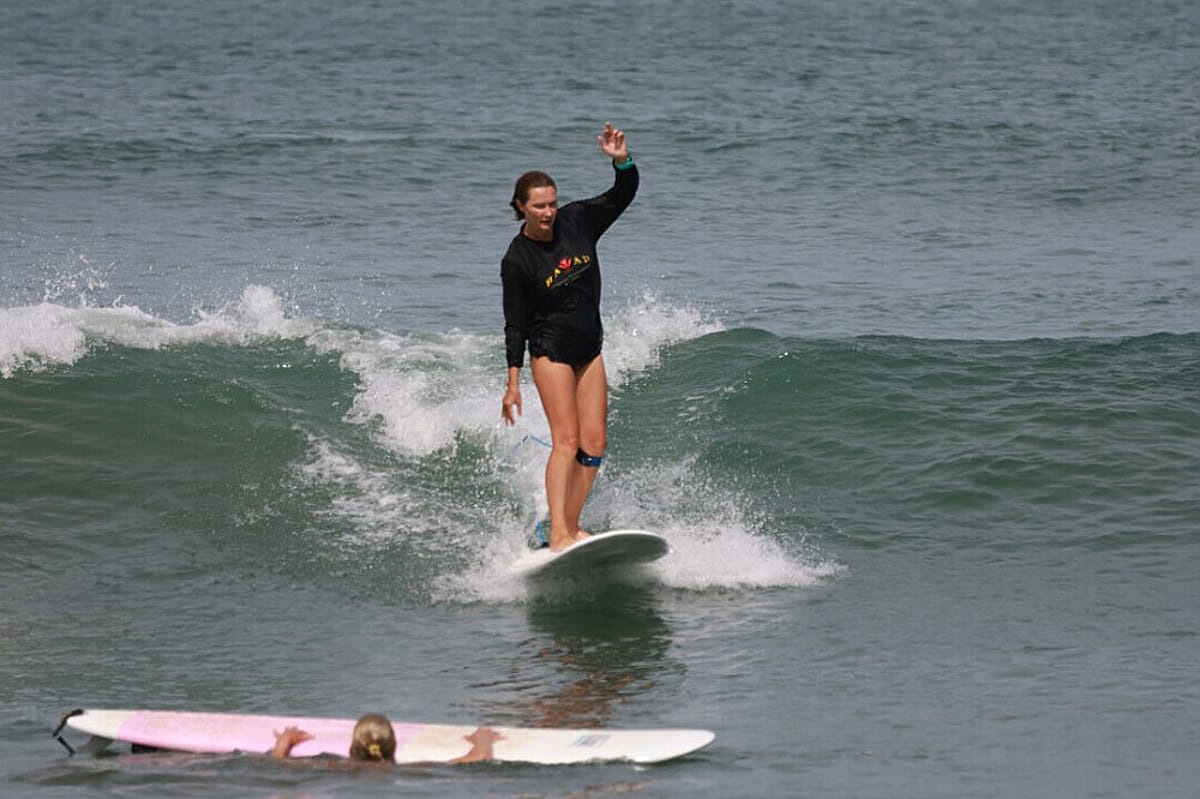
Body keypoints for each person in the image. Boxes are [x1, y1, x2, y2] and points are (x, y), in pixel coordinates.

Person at [500, 121, 639, 552]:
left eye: (552, 204)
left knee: (595, 442)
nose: (548, 212)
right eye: (539, 206)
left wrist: (621, 161)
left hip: (589, 347)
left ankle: (568, 526)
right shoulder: (517, 259)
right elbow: (515, 323)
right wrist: (512, 382)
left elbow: (622, 195)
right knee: (567, 440)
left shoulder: (578, 221)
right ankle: (559, 531)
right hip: (550, 352)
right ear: (521, 207)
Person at [269, 713, 501, 765]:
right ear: (395, 745)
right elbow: (481, 756)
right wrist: (482, 737)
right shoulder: (411, 770)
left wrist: (286, 740)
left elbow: (279, 765)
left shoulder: (334, 768)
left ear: (352, 747)